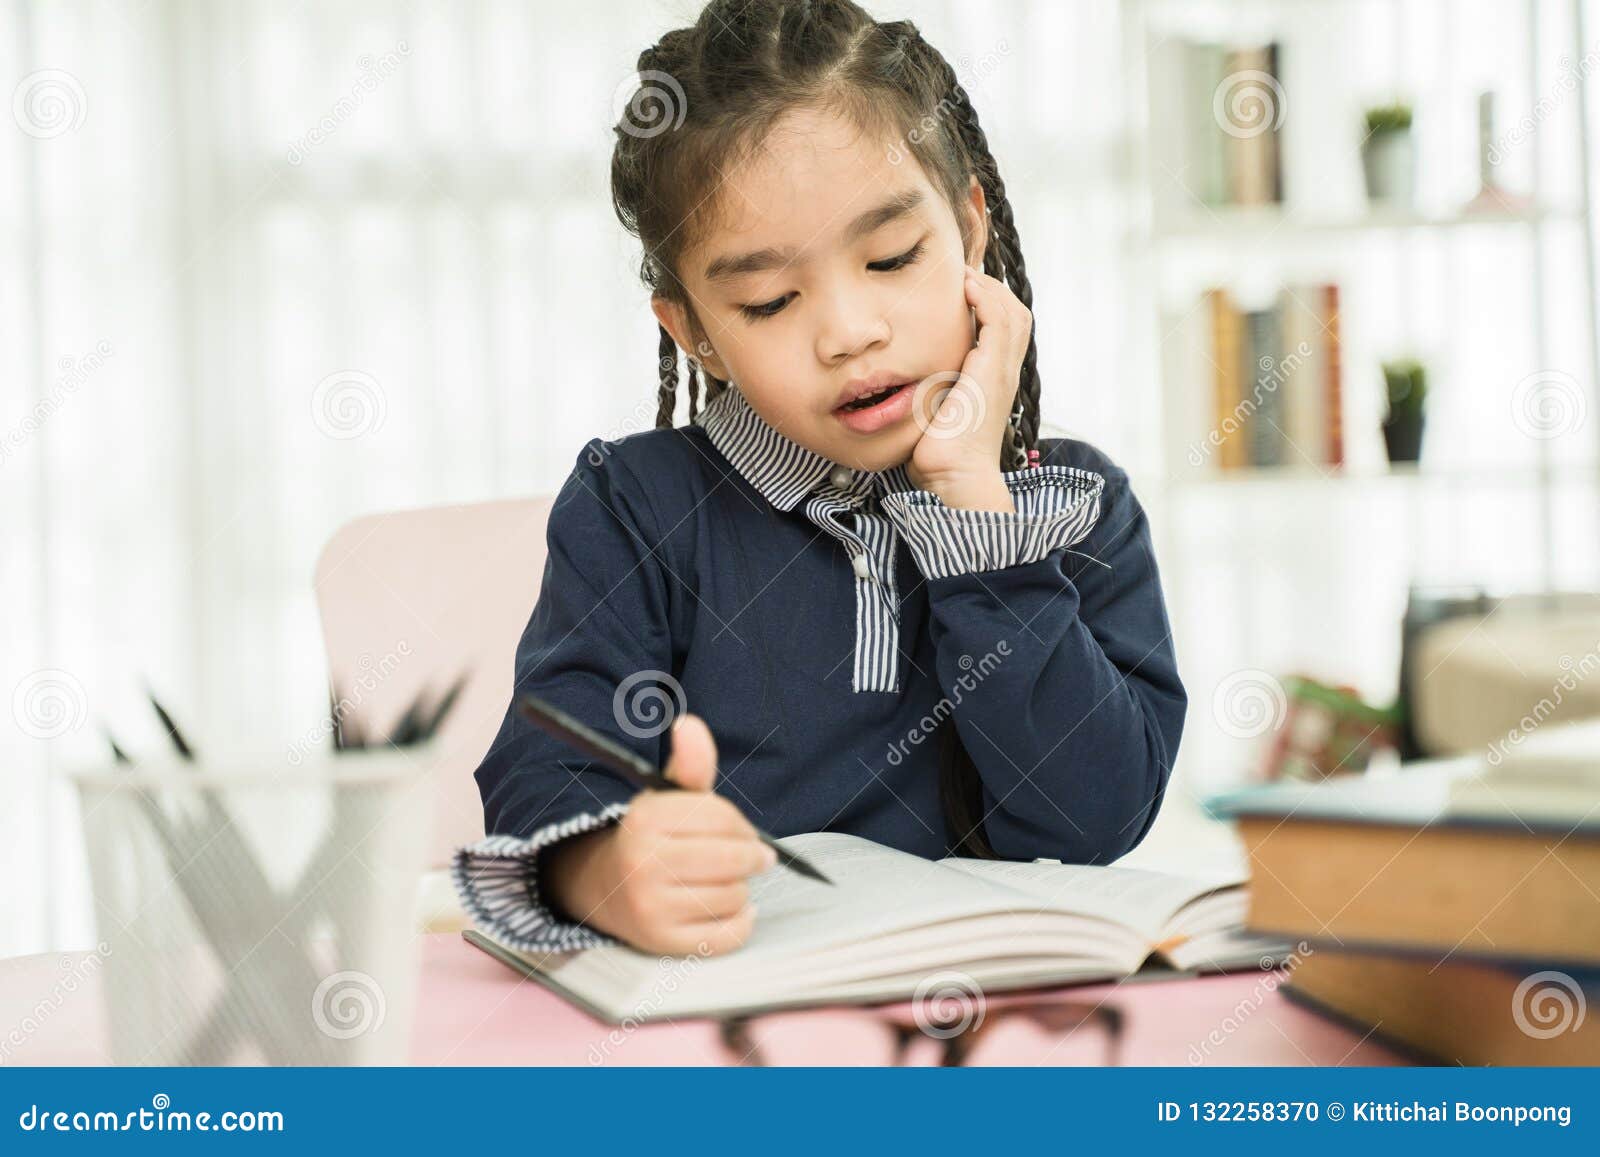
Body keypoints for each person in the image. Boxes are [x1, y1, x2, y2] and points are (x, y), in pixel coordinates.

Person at [453, 0, 1185, 959]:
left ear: (971, 233)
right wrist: (609, 872)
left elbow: (1093, 822)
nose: (847, 331)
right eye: (768, 300)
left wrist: (972, 505)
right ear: (697, 332)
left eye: (891, 257)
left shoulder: (1073, 507)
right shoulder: (636, 509)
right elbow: (543, 783)